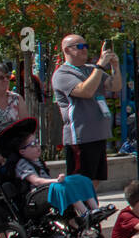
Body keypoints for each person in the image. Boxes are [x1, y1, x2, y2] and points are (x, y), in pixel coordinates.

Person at [52, 35, 122, 181]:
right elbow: (85, 91)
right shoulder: (62, 73)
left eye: (86, 46)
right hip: (80, 136)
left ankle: (90, 204)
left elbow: (115, 86)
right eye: (79, 47)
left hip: (98, 133)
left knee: (96, 178)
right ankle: (78, 205)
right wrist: (100, 65)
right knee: (80, 181)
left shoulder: (92, 69)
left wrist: (115, 66)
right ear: (67, 50)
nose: (84, 50)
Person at [14, 133, 113, 229]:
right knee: (63, 185)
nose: (37, 146)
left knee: (81, 179)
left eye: (37, 142)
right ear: (22, 151)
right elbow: (36, 181)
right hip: (36, 196)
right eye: (32, 145)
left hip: (47, 190)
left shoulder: (38, 161)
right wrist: (56, 180)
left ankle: (95, 209)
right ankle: (85, 214)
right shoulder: (22, 164)